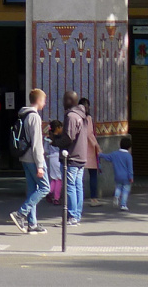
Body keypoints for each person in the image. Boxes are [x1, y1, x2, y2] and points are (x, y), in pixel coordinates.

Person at [10, 88, 49, 235]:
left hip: (25, 157)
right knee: (45, 188)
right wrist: (40, 165)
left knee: (32, 190)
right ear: (38, 100)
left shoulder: (24, 114)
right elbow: (37, 144)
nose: (44, 103)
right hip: (34, 159)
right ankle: (20, 213)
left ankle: (32, 223)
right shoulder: (35, 117)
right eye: (44, 100)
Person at [55, 91, 88, 225]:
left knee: (70, 187)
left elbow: (69, 137)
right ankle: (77, 215)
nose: (62, 102)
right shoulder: (82, 115)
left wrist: (56, 142)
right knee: (78, 186)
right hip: (81, 156)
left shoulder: (71, 116)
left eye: (64, 99)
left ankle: (72, 216)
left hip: (72, 156)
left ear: (69, 100)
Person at [101, 135, 134, 211]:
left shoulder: (115, 154)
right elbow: (130, 168)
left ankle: (116, 196)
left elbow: (107, 157)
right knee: (125, 190)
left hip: (117, 176)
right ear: (129, 147)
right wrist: (131, 177)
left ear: (120, 144)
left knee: (118, 187)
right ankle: (123, 205)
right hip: (126, 177)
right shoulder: (128, 156)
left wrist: (100, 154)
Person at [79, 97, 102, 204]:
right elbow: (89, 133)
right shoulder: (87, 118)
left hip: (78, 148)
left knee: (78, 176)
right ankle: (93, 198)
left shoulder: (75, 117)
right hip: (89, 149)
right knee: (93, 174)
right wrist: (97, 145)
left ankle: (78, 198)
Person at [45, 120, 63, 204]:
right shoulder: (60, 138)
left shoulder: (48, 138)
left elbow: (45, 150)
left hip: (51, 158)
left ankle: (49, 191)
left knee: (54, 178)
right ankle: (56, 198)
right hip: (58, 158)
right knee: (59, 179)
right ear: (57, 128)